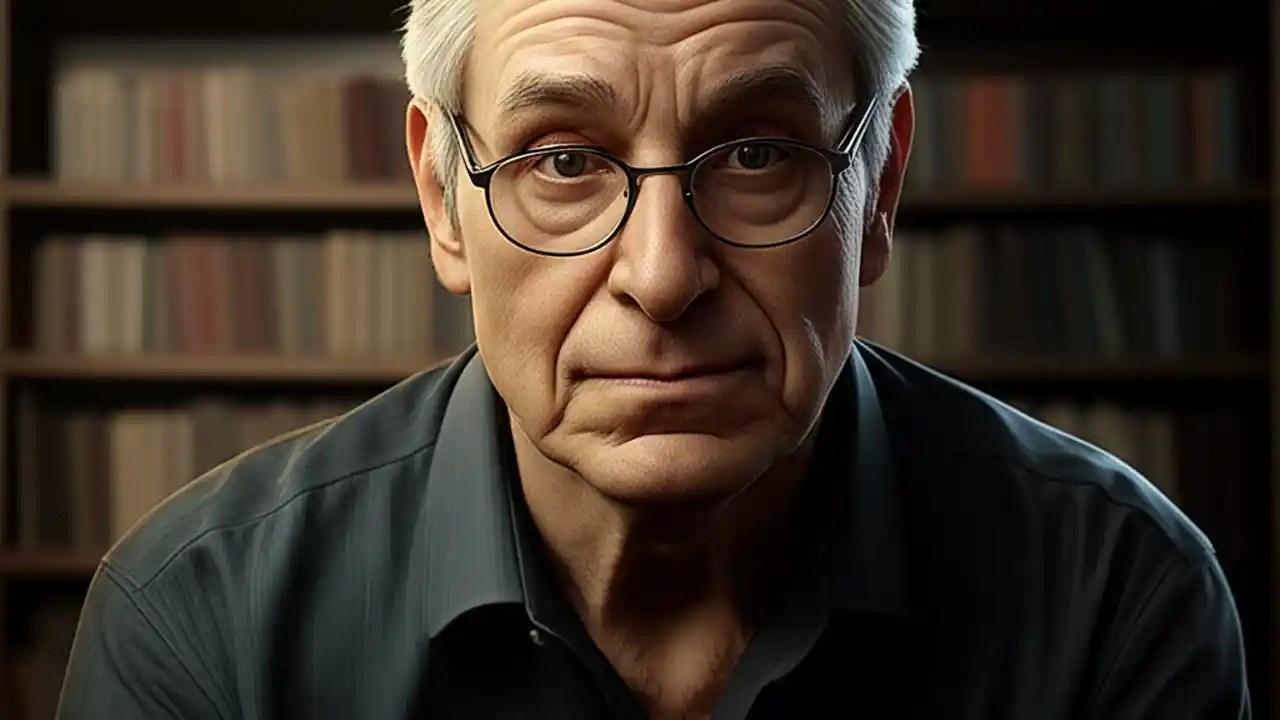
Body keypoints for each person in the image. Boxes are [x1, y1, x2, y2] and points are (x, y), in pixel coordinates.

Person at [57, 0, 1250, 717]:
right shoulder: (202, 617)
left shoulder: (1109, 592)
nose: (662, 274)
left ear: (878, 185)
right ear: (441, 198)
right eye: (563, 162)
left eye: (755, 154)